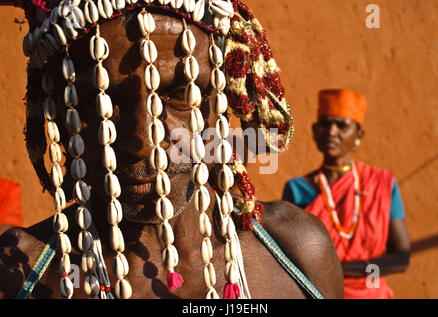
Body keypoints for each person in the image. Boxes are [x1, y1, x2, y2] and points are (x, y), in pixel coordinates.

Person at [0, 0, 343, 299]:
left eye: (181, 95)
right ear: (57, 113)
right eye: (98, 102)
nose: (144, 143)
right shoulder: (18, 272)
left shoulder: (298, 251)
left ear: (221, 105)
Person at [283, 89, 410, 299]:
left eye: (341, 125)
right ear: (315, 131)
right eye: (325, 124)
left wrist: (343, 269)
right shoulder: (297, 189)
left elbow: (401, 258)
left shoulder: (382, 184)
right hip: (320, 294)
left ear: (359, 135)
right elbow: (290, 256)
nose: (332, 132)